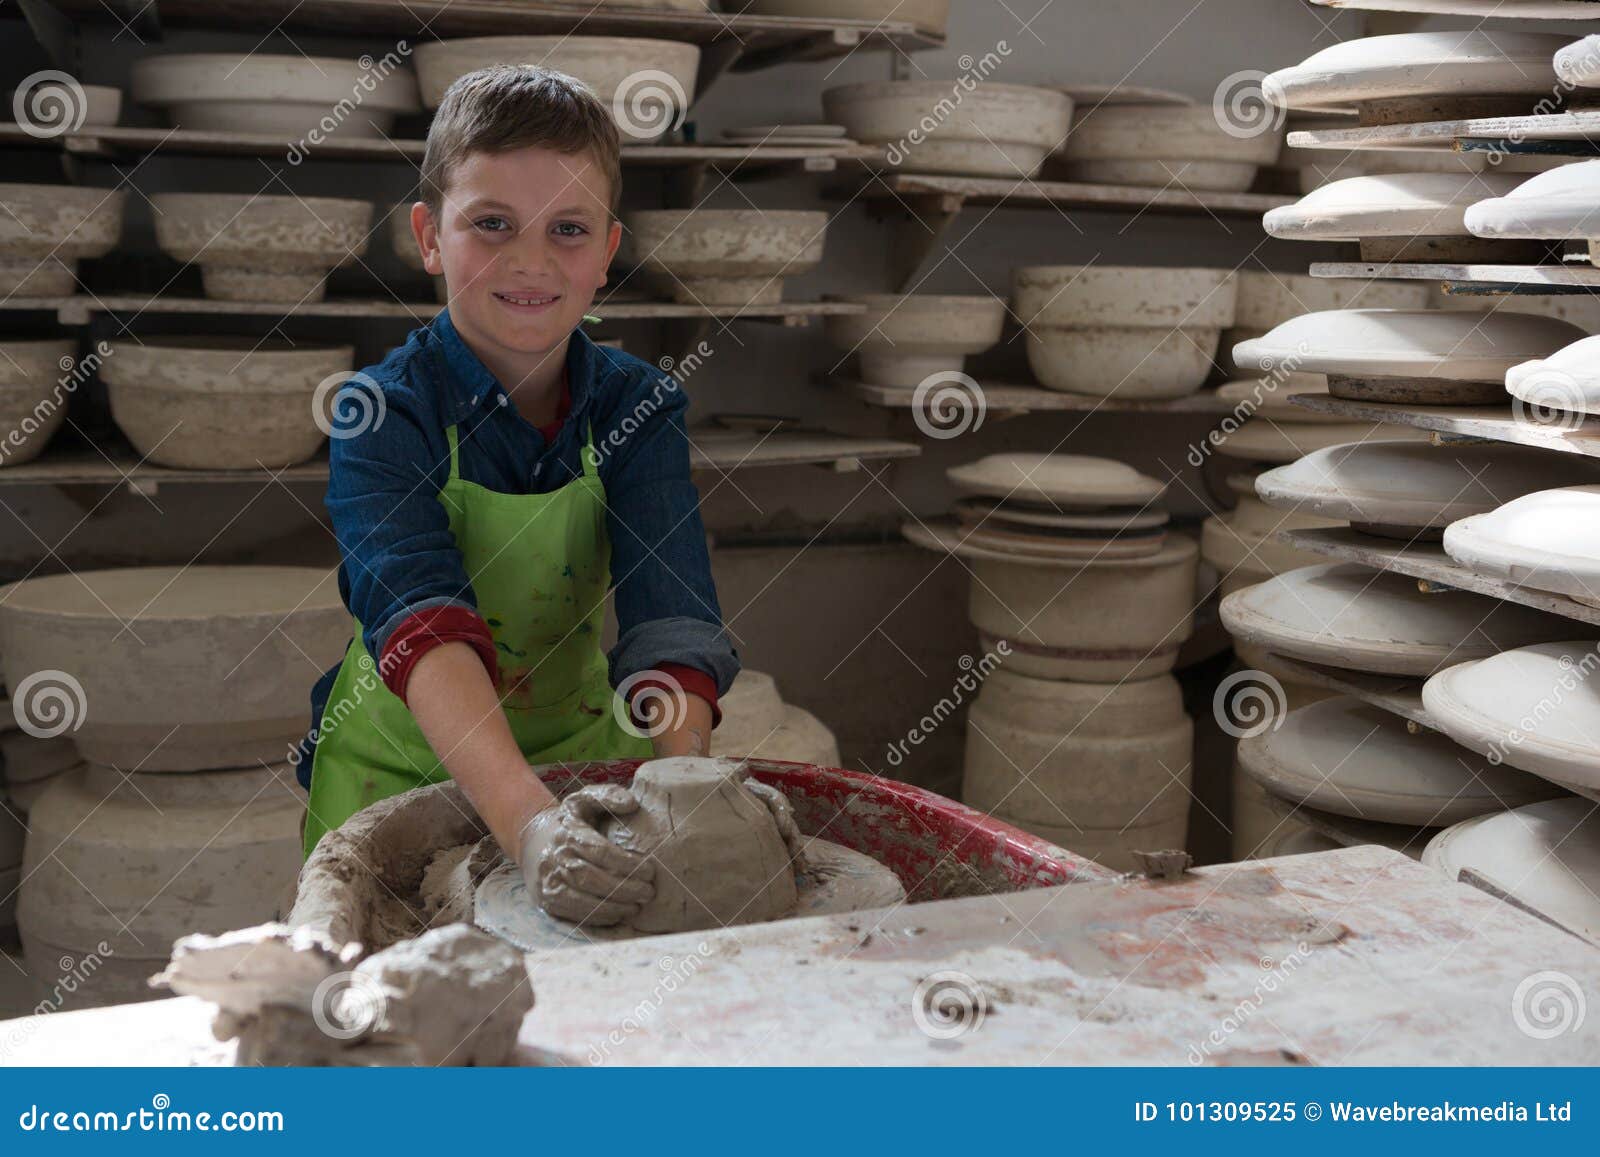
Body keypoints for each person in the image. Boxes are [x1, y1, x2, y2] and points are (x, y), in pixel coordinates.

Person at [294, 65, 739, 927]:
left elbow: (670, 611)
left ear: (607, 253)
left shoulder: (637, 406)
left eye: (567, 229)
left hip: (578, 755)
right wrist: (529, 825)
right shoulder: (383, 412)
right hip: (400, 771)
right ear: (429, 237)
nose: (530, 261)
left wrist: (685, 790)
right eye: (491, 224)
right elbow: (421, 619)